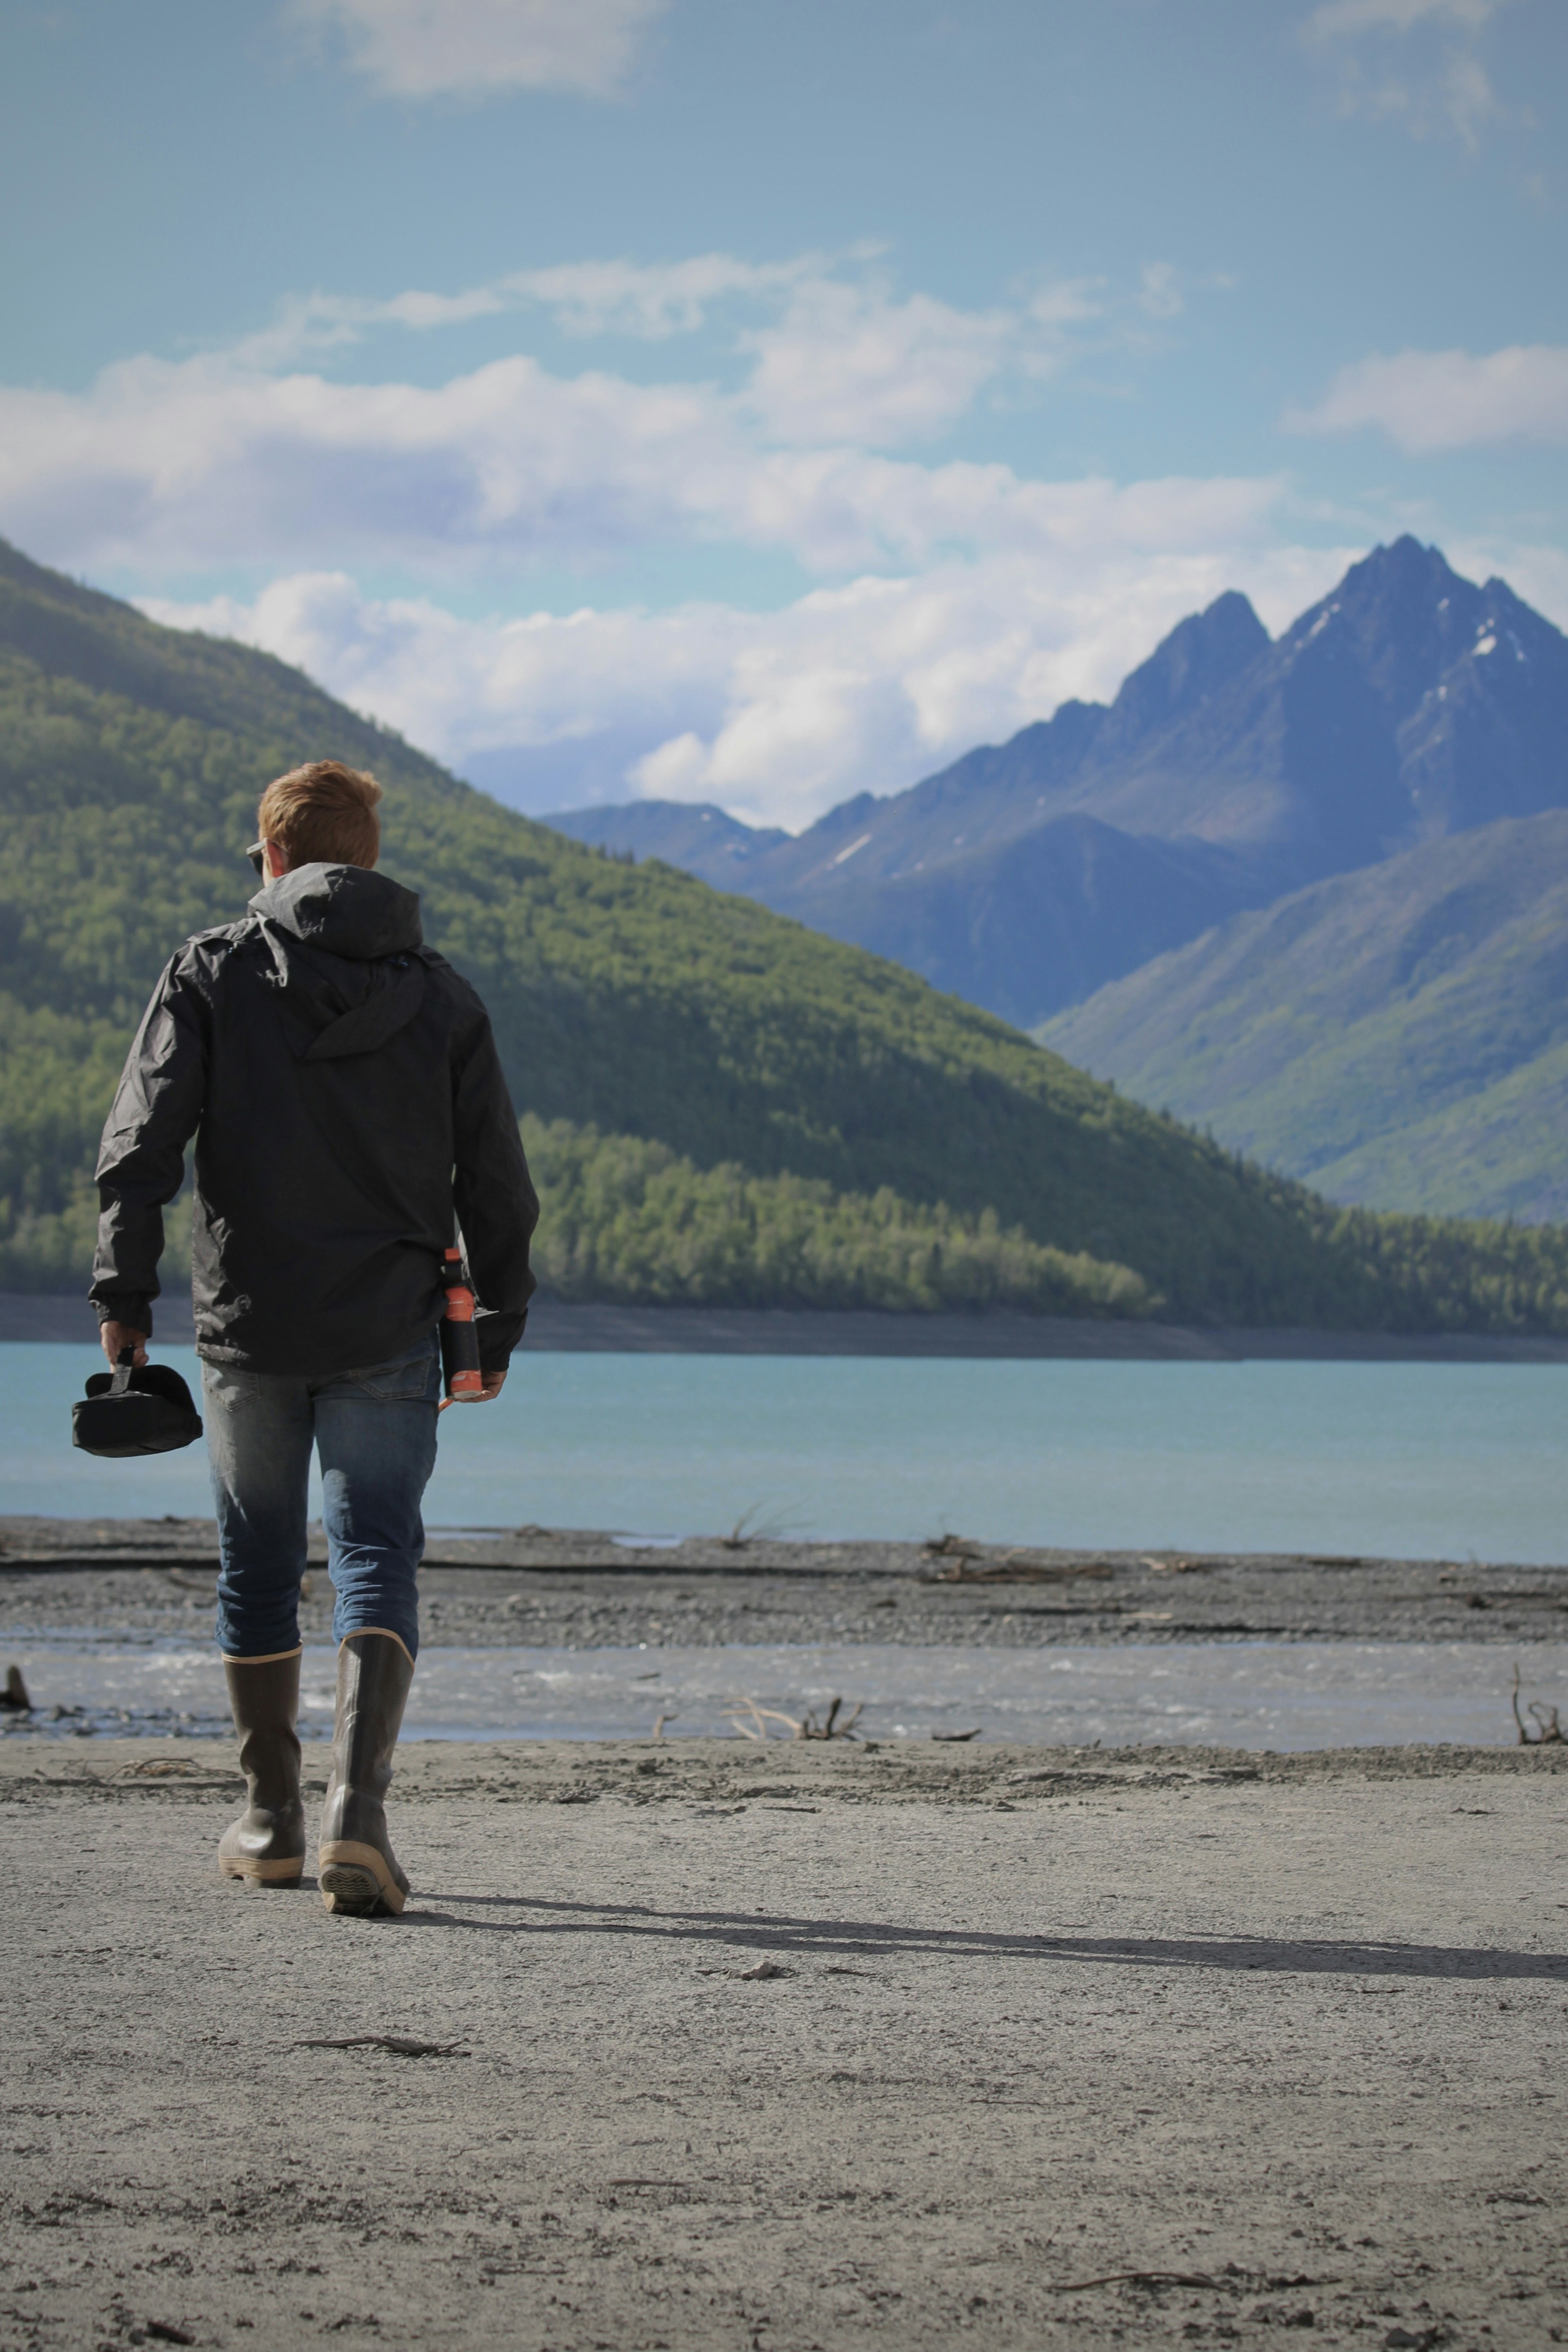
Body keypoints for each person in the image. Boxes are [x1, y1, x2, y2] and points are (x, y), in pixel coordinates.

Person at [89, 759, 538, 1917]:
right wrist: (497, 1322)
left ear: (275, 857)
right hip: (389, 1319)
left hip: (248, 1323)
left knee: (257, 1556)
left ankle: (272, 1820)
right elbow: (498, 1183)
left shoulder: (213, 971)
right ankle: (361, 1818)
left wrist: (124, 1298)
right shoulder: (443, 996)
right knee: (377, 1550)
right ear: (369, 857)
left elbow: (139, 1150)